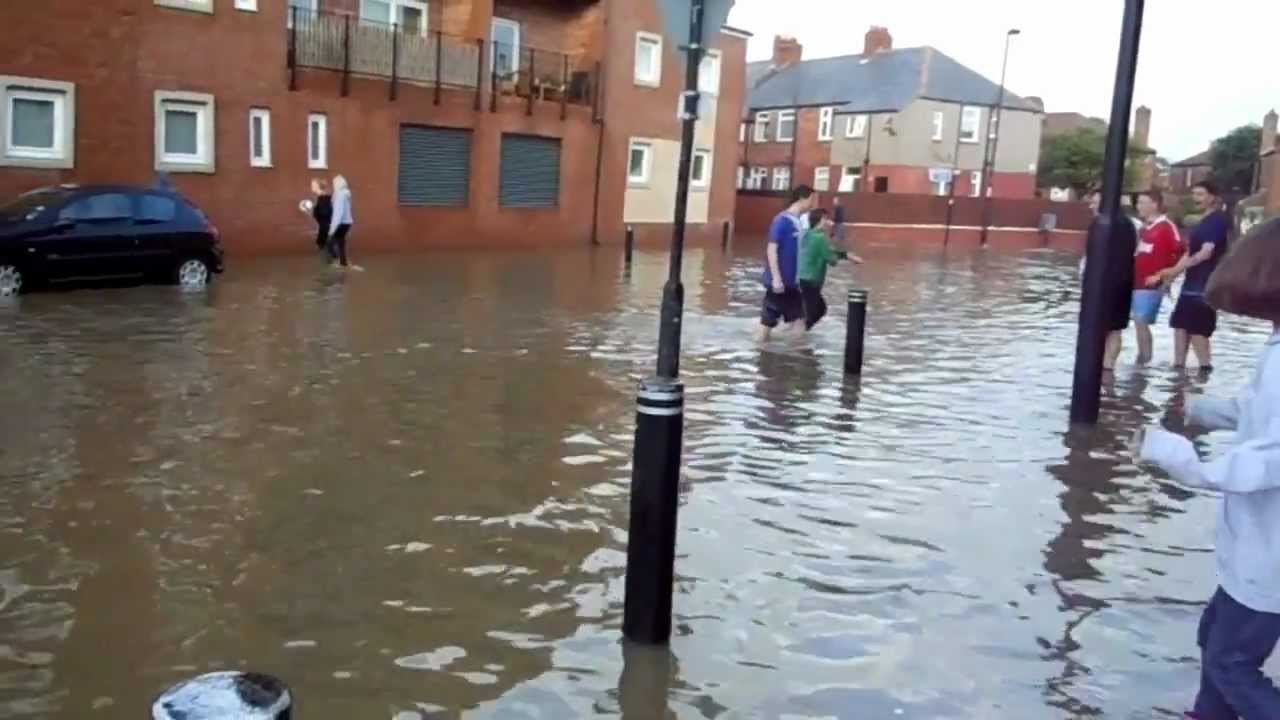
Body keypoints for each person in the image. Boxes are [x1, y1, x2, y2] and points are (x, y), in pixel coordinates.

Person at [1136, 217, 1280, 720]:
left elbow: (1271, 456)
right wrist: (1204, 409)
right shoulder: (1277, 347)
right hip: (1254, 546)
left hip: (1270, 552)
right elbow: (1259, 413)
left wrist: (1187, 463)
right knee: (1214, 640)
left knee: (1232, 663)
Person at [1156, 181, 1230, 371]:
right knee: (1180, 325)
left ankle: (1204, 369)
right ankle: (1178, 370)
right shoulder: (1202, 221)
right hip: (1191, 282)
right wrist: (1172, 275)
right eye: (1194, 194)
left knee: (1198, 330)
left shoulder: (1217, 220)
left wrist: (1173, 271)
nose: (1196, 198)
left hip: (1206, 283)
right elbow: (1189, 253)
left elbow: (1206, 252)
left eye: (1200, 194)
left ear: (1212, 196)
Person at [1124, 190, 1184, 365]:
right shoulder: (1143, 228)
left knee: (1141, 322)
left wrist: (1164, 276)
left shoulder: (1166, 226)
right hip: (1136, 282)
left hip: (1151, 284)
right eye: (1138, 203)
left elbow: (1182, 253)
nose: (1138, 206)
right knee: (1137, 322)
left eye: (1143, 202)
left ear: (1155, 204)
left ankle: (1144, 360)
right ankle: (1142, 359)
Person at [758, 185, 815, 341]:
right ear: (802, 198)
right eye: (811, 199)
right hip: (779, 283)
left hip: (792, 284)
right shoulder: (781, 220)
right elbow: (771, 250)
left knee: (799, 321)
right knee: (768, 322)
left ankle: (792, 357)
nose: (812, 204)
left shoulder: (798, 222)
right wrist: (776, 279)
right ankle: (761, 352)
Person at [797, 208, 863, 331]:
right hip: (812, 281)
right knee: (814, 312)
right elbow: (831, 260)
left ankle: (797, 334)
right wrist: (841, 255)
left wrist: (846, 255)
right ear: (820, 221)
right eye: (826, 219)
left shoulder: (807, 234)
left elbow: (825, 252)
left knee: (816, 310)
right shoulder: (820, 238)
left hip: (801, 279)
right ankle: (795, 338)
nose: (828, 222)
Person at [327, 174, 360, 271]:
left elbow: (338, 212)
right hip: (347, 223)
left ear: (337, 184)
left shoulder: (340, 195)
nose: (333, 185)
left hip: (340, 223)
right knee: (341, 243)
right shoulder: (345, 194)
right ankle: (343, 263)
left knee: (329, 243)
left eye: (334, 183)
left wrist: (332, 229)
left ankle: (336, 261)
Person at [310, 179, 333, 251]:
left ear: (318, 186)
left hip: (325, 230)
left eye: (313, 185)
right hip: (324, 229)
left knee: (328, 250)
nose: (311, 187)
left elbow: (325, 213)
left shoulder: (324, 198)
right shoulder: (321, 198)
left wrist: (315, 212)